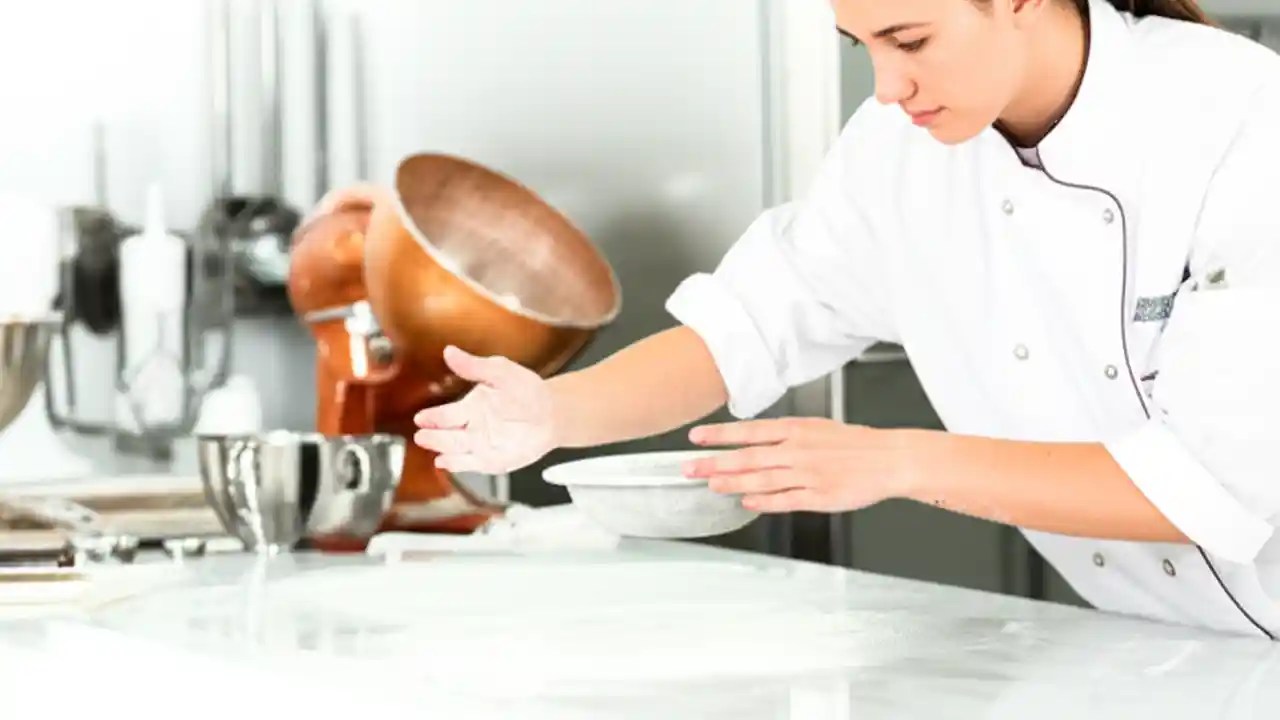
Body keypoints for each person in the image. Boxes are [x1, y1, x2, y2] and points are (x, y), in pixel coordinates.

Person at [315, 0, 1280, 638]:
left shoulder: (1236, 119)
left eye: (910, 40)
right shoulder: (902, 150)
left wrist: (898, 462)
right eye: (858, 47)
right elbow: (748, 325)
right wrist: (555, 413)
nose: (886, 86)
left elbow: (1205, 487)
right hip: (1164, 652)